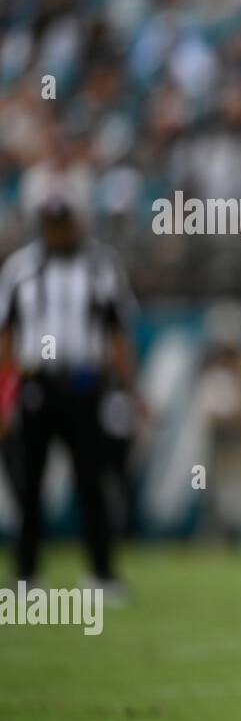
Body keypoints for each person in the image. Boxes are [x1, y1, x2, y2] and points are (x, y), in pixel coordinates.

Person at [0, 196, 137, 597]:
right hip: (36, 384)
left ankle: (102, 575)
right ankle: (26, 575)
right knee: (29, 484)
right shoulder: (21, 268)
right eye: (53, 225)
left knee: (92, 481)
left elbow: (116, 331)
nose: (60, 233)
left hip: (85, 384)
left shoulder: (101, 266)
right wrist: (4, 392)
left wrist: (129, 388)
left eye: (65, 225)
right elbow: (6, 335)